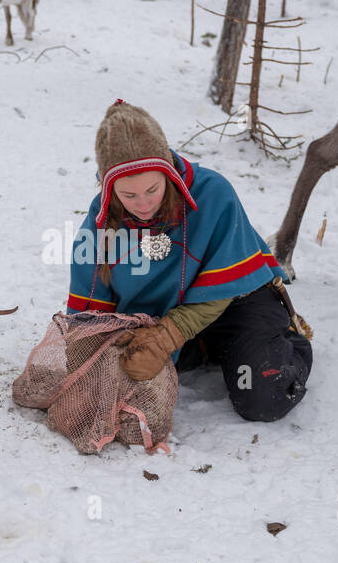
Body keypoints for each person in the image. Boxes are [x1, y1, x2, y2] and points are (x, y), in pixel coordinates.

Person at [65, 100, 312, 422]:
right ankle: (209, 349)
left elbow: (227, 285)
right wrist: (92, 360)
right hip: (165, 313)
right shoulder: (100, 224)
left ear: (168, 171)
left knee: (263, 398)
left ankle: (286, 339)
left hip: (237, 302)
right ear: (109, 186)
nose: (143, 205)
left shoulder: (213, 194)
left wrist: (168, 335)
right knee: (116, 377)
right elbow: (89, 313)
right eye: (129, 195)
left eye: (152, 189)